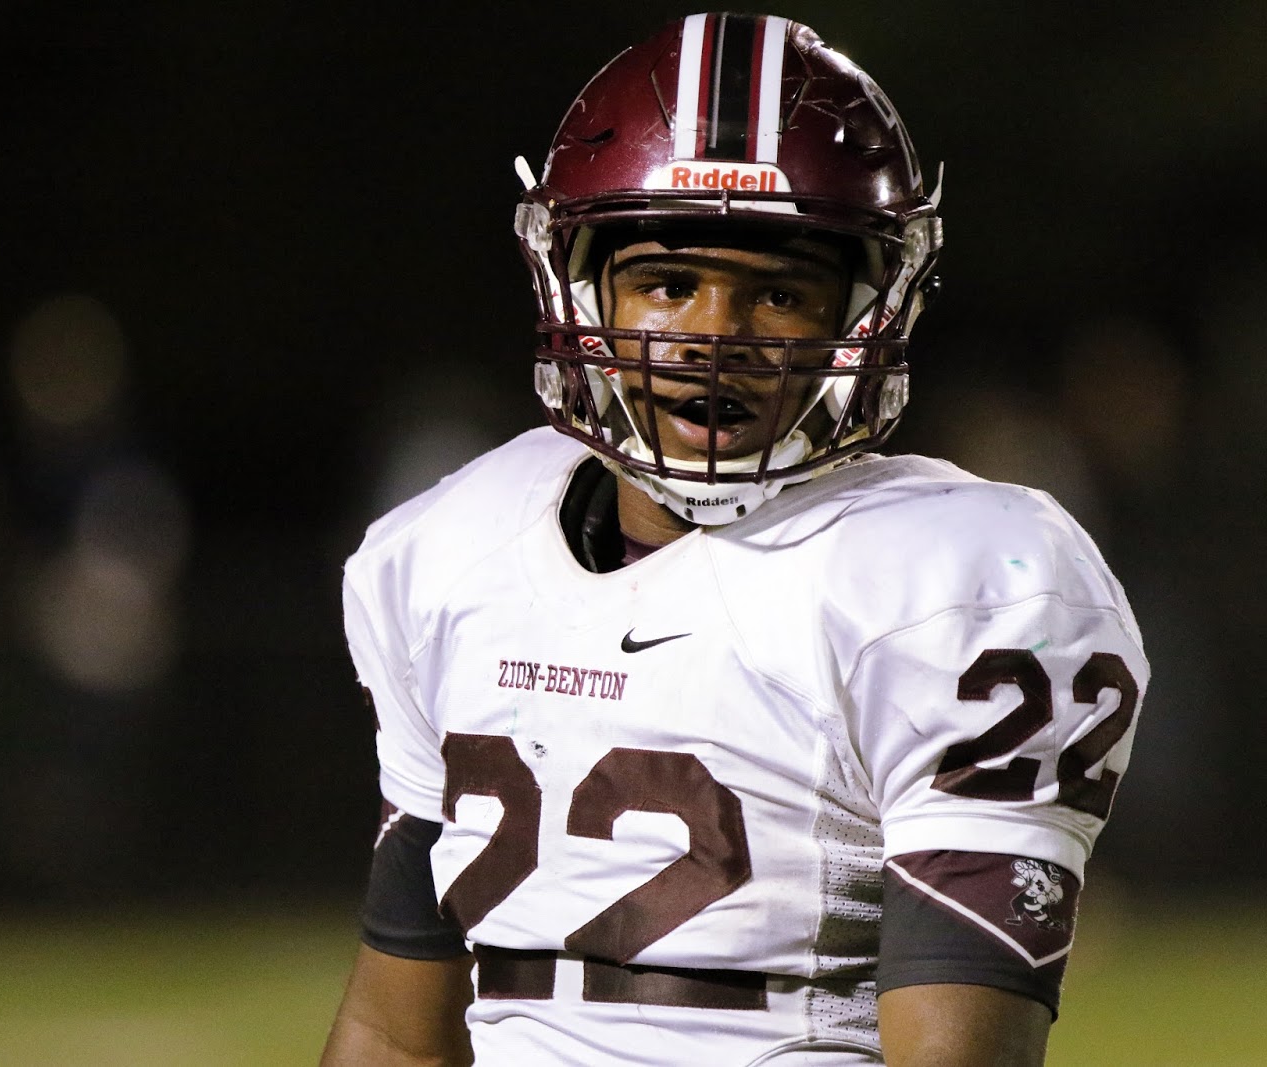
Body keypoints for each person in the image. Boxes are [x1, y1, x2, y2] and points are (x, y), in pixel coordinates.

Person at [322, 12, 1147, 1066]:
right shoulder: (446, 552)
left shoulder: (954, 584)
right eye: (669, 283)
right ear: (575, 283)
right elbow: (395, 1031)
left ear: (866, 312)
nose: (716, 334)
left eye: (781, 293)